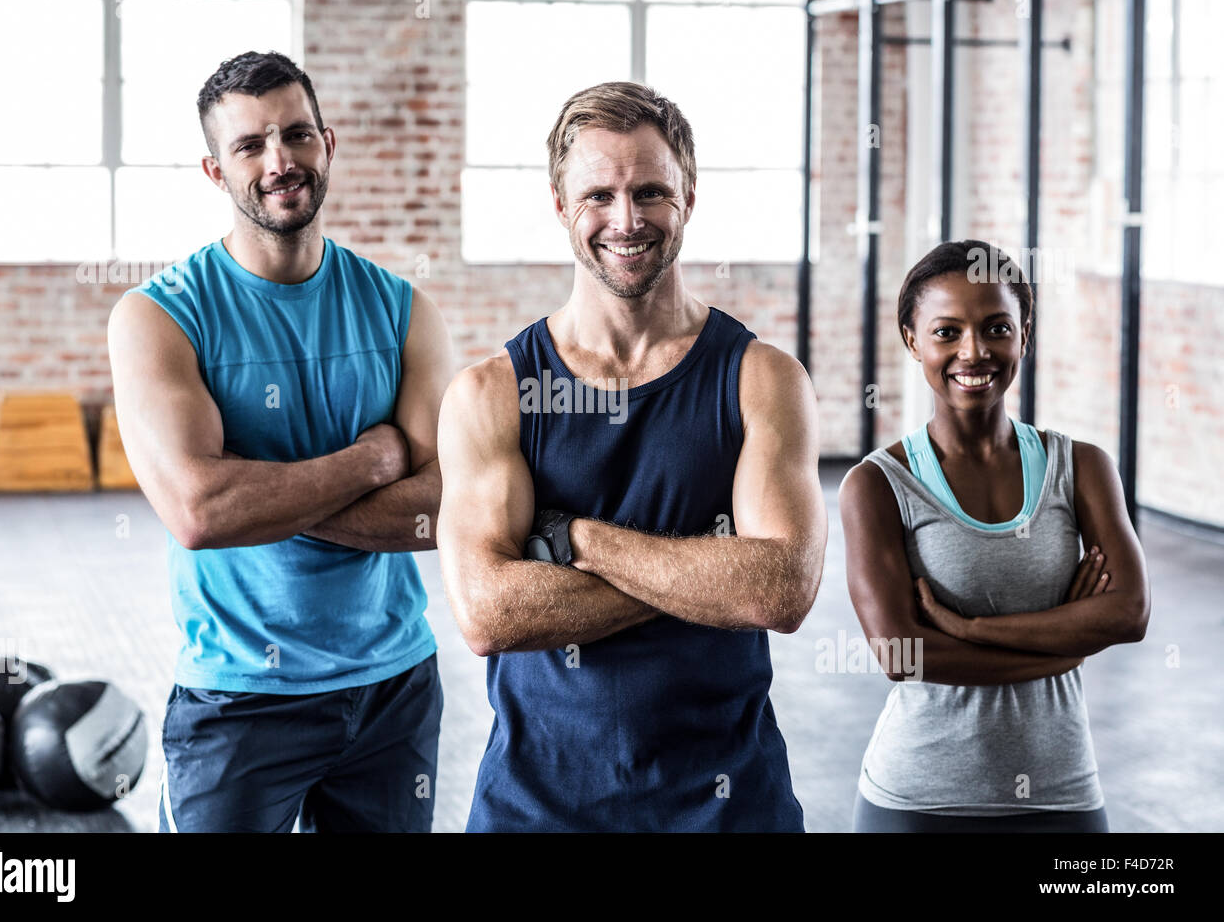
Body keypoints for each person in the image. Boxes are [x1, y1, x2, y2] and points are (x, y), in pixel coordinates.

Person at [436, 81, 828, 831]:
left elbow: (778, 592)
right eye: (599, 195)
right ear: (559, 205)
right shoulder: (492, 393)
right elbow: (489, 614)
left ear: (688, 197)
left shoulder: (762, 380)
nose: (627, 219)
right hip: (537, 807)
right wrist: (712, 568)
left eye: (651, 191)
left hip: (727, 806)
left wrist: (578, 540)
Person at [107, 51, 453, 832]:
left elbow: (442, 511)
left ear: (328, 143)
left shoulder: (404, 311)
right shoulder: (159, 317)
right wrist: (374, 459)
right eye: (250, 146)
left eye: (298, 135)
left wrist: (250, 492)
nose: (280, 161)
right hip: (238, 698)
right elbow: (199, 514)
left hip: (391, 689)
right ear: (213, 169)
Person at [838, 240, 1150, 832]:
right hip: (916, 801)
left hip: (1061, 794)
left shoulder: (1081, 467)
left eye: (996, 328)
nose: (973, 352)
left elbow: (1130, 614)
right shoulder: (877, 485)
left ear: (1023, 336)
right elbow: (902, 654)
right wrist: (1071, 641)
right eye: (946, 332)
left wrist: (969, 630)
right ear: (913, 341)